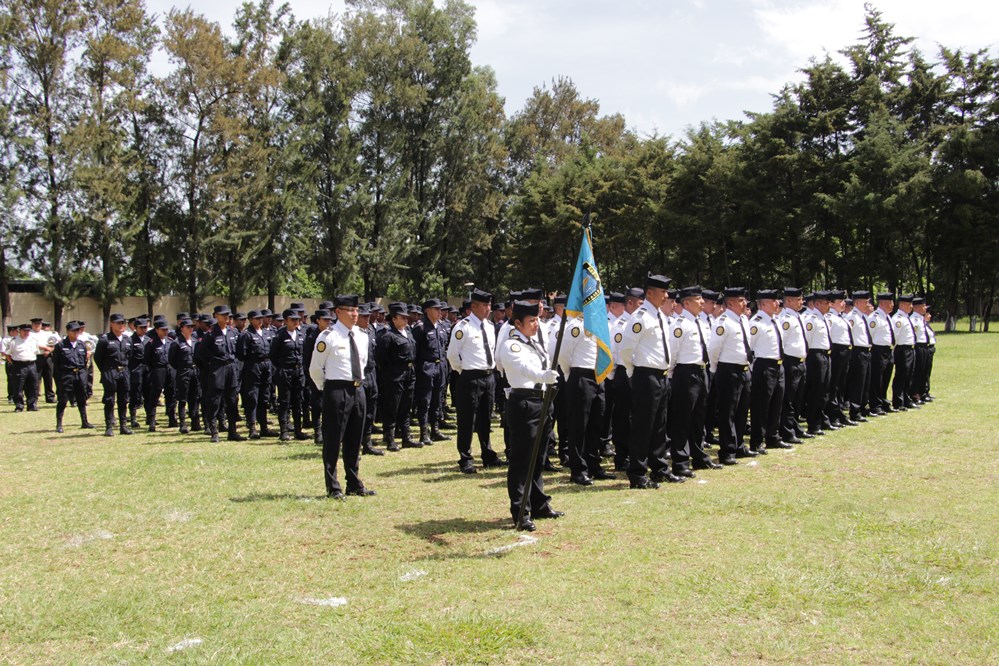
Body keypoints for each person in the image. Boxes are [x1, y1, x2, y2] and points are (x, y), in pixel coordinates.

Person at [496, 300, 562, 531]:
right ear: (518, 323)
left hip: (543, 402)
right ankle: (520, 511)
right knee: (522, 460)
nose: (536, 324)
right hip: (525, 402)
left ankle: (538, 503)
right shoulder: (511, 345)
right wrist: (543, 376)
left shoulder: (534, 343)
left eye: (537, 319)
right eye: (531, 321)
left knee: (538, 458)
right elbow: (524, 368)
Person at [619, 273, 683, 487]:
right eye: (663, 292)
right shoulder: (641, 317)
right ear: (650, 293)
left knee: (659, 425)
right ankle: (637, 473)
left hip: (662, 376)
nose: (666, 296)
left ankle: (659, 468)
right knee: (642, 426)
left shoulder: (660, 316)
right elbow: (626, 349)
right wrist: (631, 372)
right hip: (646, 376)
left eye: (667, 292)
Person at [309, 294, 375, 499]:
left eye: (356, 311)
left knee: (355, 439)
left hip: (358, 389)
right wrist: (327, 390)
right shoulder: (328, 337)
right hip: (337, 390)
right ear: (338, 312)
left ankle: (353, 482)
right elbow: (315, 369)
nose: (355, 314)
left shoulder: (362, 335)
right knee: (333, 440)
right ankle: (333, 486)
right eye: (350, 311)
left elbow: (363, 364)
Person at [446, 288, 505, 474]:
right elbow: (452, 355)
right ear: (474, 306)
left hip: (489, 377)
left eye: (489, 305)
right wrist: (465, 370)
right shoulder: (463, 327)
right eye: (484, 305)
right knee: (467, 420)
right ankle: (465, 458)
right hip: (470, 377)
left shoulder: (488, 326)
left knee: (485, 418)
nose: (488, 309)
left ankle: (487, 454)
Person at [558, 305, 614, 485]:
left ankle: (593, 464)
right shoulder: (575, 326)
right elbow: (564, 355)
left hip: (598, 377)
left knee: (597, 424)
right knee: (578, 426)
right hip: (581, 376)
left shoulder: (599, 325)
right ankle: (578, 470)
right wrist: (569, 374)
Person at [668, 286, 722, 472]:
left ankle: (699, 456)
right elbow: (672, 353)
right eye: (698, 299)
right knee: (682, 419)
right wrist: (672, 374)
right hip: (685, 373)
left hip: (702, 371)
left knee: (699, 417)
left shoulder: (702, 322)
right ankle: (681, 461)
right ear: (687, 303)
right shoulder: (680, 324)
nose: (702, 302)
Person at [707, 287, 756, 465]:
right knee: (728, 412)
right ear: (730, 303)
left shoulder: (743, 320)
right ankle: (727, 450)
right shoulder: (723, 322)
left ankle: (739, 445)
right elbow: (713, 349)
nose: (745, 304)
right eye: (741, 300)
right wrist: (715, 368)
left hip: (744, 369)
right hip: (728, 370)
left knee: (743, 410)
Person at [747, 290, 788, 454]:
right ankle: (757, 441)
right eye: (773, 301)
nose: (777, 304)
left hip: (778, 365)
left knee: (776, 403)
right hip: (764, 366)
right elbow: (749, 346)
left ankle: (772, 436)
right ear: (763, 304)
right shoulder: (756, 322)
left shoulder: (774, 320)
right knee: (761, 405)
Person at [195, 305, 244, 442]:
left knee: (232, 400)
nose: (226, 317)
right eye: (223, 315)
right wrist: (211, 366)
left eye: (228, 314)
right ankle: (214, 430)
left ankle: (232, 431)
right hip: (218, 370)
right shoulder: (210, 334)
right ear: (215, 316)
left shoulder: (233, 333)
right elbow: (199, 355)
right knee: (215, 401)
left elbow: (238, 352)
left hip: (231, 369)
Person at [412, 298, 449, 446]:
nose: (440, 312)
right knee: (425, 401)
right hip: (426, 368)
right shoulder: (420, 328)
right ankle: (424, 433)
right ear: (427, 310)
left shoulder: (439, 327)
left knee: (437, 400)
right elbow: (414, 351)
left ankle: (435, 429)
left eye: (440, 309)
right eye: (436, 309)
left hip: (440, 367)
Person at [270, 308, 311, 442]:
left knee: (298, 401)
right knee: (284, 401)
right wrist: (282, 368)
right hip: (285, 371)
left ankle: (298, 431)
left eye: (297, 320)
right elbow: (273, 355)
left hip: (298, 372)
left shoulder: (300, 335)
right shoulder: (280, 335)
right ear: (286, 321)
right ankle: (284, 431)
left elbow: (304, 353)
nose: (296, 322)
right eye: (293, 320)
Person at [777, 288, 809, 444]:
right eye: (798, 299)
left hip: (800, 361)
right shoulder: (785, 319)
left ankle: (794, 427)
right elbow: (781, 342)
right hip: (790, 361)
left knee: (798, 398)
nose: (801, 302)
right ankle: (786, 431)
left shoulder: (797, 317)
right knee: (788, 399)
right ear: (788, 301)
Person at [93, 314, 133, 436]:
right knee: (110, 400)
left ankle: (123, 425)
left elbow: (129, 356)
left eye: (123, 323)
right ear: (111, 324)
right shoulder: (105, 339)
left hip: (124, 371)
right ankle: (109, 426)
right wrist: (106, 371)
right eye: (118, 323)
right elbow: (98, 358)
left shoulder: (127, 339)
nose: (121, 325)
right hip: (110, 371)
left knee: (123, 400)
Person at [236, 310, 273, 439]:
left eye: (261, 318)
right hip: (253, 367)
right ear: (251, 320)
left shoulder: (265, 333)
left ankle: (264, 427)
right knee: (253, 397)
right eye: (257, 318)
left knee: (264, 397)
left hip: (266, 366)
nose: (260, 321)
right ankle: (252, 427)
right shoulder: (247, 335)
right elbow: (241, 354)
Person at [803, 291, 834, 435]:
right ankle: (813, 424)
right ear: (817, 304)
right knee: (816, 391)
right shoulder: (812, 319)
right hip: (815, 356)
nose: (829, 305)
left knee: (824, 390)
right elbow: (806, 340)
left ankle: (821, 420)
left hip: (825, 355)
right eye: (826, 303)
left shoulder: (824, 318)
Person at [844, 291, 874, 422]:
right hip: (857, 351)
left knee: (866, 381)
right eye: (865, 301)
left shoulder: (862, 316)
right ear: (857, 303)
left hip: (866, 351)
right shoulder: (852, 317)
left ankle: (863, 407)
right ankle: (855, 411)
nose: (868, 304)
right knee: (858, 382)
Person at [169, 318, 201, 434]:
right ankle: (183, 423)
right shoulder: (176, 343)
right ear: (182, 328)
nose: (191, 328)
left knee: (195, 397)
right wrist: (182, 368)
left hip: (194, 371)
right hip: (183, 372)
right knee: (182, 399)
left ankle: (194, 421)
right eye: (188, 327)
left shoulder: (195, 340)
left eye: (192, 326)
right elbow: (172, 360)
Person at [868, 293, 896, 415]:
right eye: (890, 303)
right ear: (883, 303)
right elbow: (869, 334)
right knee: (877, 379)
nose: (892, 305)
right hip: (878, 350)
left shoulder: (887, 317)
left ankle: (884, 401)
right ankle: (875, 404)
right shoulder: (875, 317)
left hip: (888, 350)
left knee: (886, 377)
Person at [143, 320, 173, 431]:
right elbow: (146, 360)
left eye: (166, 329)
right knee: (155, 395)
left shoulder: (170, 342)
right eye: (163, 330)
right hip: (157, 370)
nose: (165, 332)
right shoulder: (151, 343)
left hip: (169, 370)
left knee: (170, 394)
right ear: (157, 330)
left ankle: (171, 418)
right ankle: (151, 420)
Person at [891, 294, 918, 410]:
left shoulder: (906, 317)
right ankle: (898, 401)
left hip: (910, 349)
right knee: (901, 375)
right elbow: (895, 337)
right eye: (909, 304)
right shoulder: (898, 319)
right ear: (901, 305)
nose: (911, 306)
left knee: (909, 375)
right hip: (902, 349)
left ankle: (906, 399)